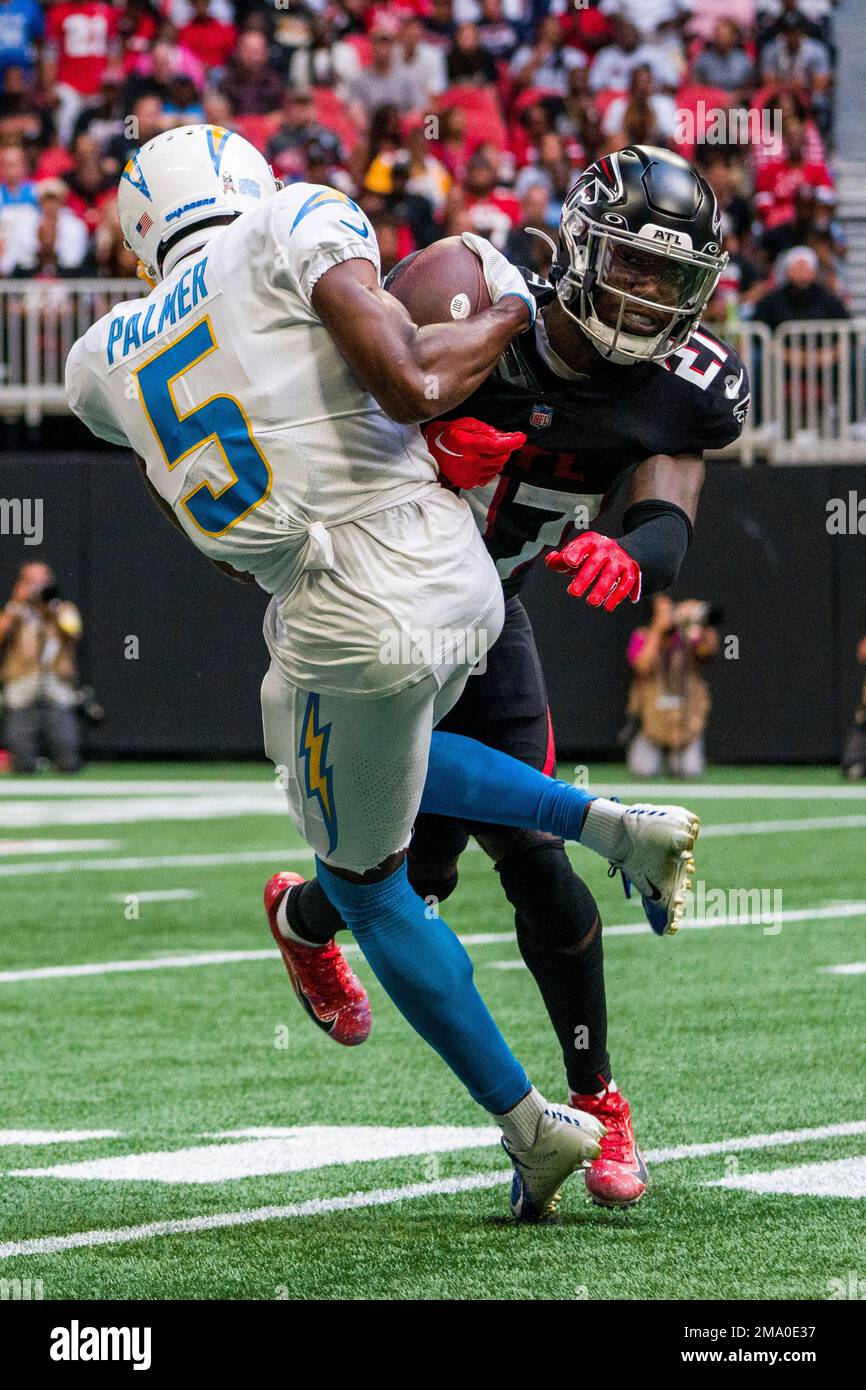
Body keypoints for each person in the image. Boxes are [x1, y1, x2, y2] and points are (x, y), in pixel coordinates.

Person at [65, 126, 700, 1223]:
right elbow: (403, 377)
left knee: (369, 881)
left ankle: (527, 1122)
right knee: (388, 763)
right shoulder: (296, 216)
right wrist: (511, 301)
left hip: (333, 594)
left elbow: (288, 399)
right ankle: (603, 823)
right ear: (249, 183)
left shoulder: (92, 359)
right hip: (457, 565)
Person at [289, 145, 749, 1209]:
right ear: (577, 249)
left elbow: (666, 508)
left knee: (520, 863)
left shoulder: (680, 388)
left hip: (489, 619)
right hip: (385, 608)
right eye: (628, 268)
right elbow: (338, 428)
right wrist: (426, 458)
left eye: (668, 282)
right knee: (411, 873)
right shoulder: (465, 301)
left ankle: (597, 1097)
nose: (645, 300)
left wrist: (636, 556)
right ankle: (314, 918)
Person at [0, 560, 83, 773]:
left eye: (42, 581)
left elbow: (73, 632)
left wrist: (51, 610)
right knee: (22, 762)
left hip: (55, 685)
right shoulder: (14, 612)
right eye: (31, 581)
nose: (37, 587)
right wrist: (16, 604)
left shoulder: (63, 609)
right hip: (22, 684)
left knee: (68, 760)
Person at [626, 596, 718, 776]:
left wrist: (701, 620)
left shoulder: (688, 637)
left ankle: (678, 756)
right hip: (652, 723)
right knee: (643, 770)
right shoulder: (643, 636)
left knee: (688, 770)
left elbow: (708, 651)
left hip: (685, 723)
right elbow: (642, 666)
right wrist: (658, 629)